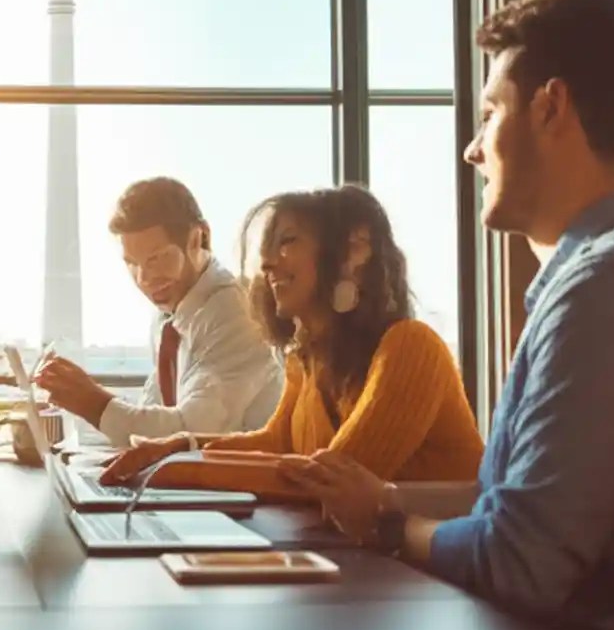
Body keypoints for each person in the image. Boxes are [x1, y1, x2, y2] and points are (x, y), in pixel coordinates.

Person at [280, 0, 614, 630]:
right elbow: (513, 501)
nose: (473, 148)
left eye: (490, 113)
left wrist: (386, 527)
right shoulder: (610, 273)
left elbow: (517, 561)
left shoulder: (607, 288)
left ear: (552, 107)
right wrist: (390, 496)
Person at [101, 185, 484, 493]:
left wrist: (179, 470)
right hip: (372, 563)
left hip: (439, 575)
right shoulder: (307, 358)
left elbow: (330, 480)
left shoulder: (411, 347)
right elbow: (276, 441)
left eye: (287, 241)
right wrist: (178, 447)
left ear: (355, 251)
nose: (267, 262)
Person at [34, 177, 282, 449]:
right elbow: (151, 414)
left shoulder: (236, 314)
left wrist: (94, 402)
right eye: (132, 264)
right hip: (192, 481)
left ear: (198, 239)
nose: (145, 278)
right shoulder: (168, 317)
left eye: (156, 258)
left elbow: (193, 432)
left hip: (241, 484)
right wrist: (80, 401)